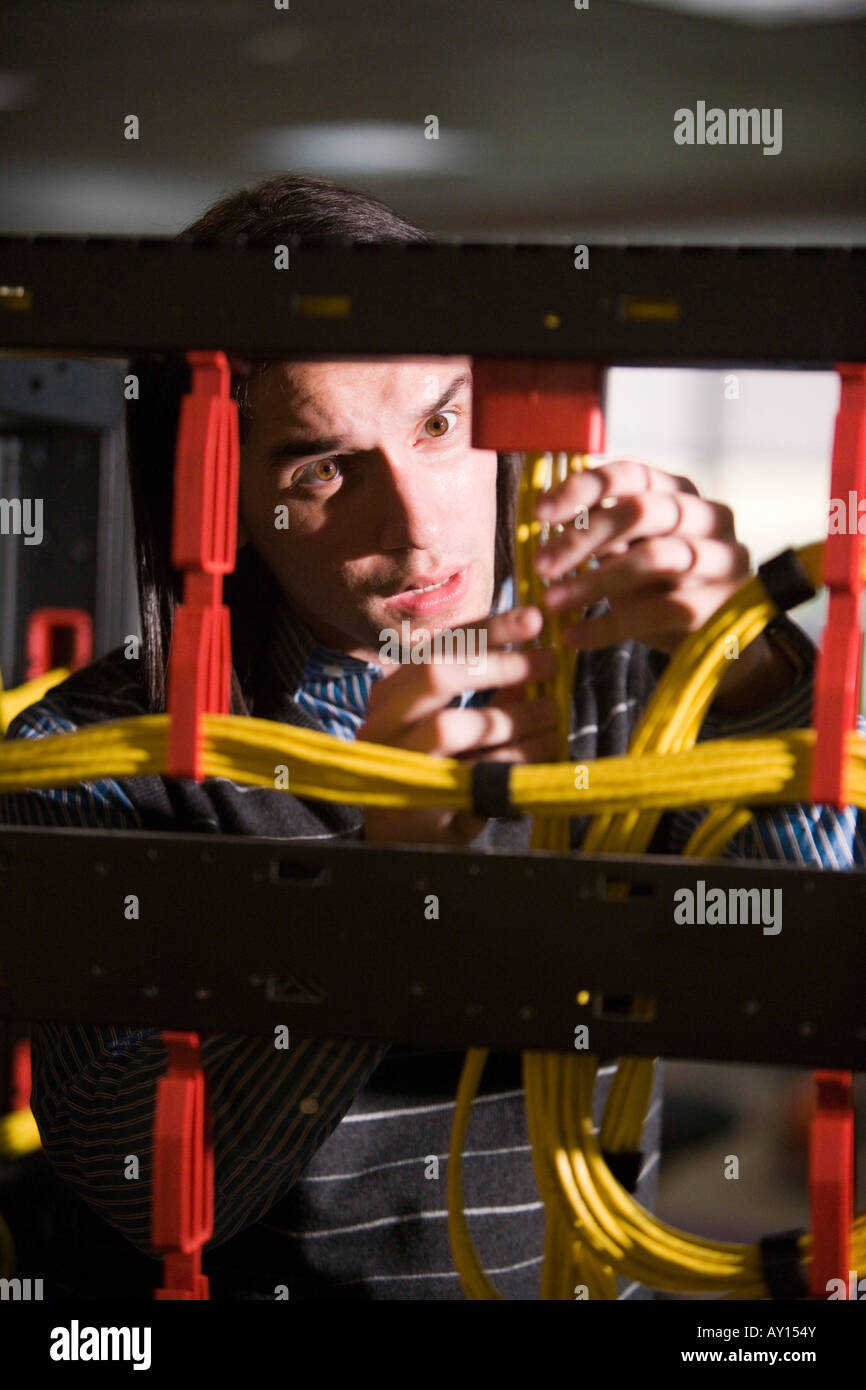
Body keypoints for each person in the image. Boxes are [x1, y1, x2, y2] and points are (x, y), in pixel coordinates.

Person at [0, 173, 821, 1300]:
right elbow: (135, 1183)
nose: (420, 525)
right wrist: (373, 903)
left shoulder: (626, 674)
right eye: (323, 467)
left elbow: (808, 959)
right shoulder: (94, 755)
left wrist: (750, 664)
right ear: (218, 500)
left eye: (440, 424)